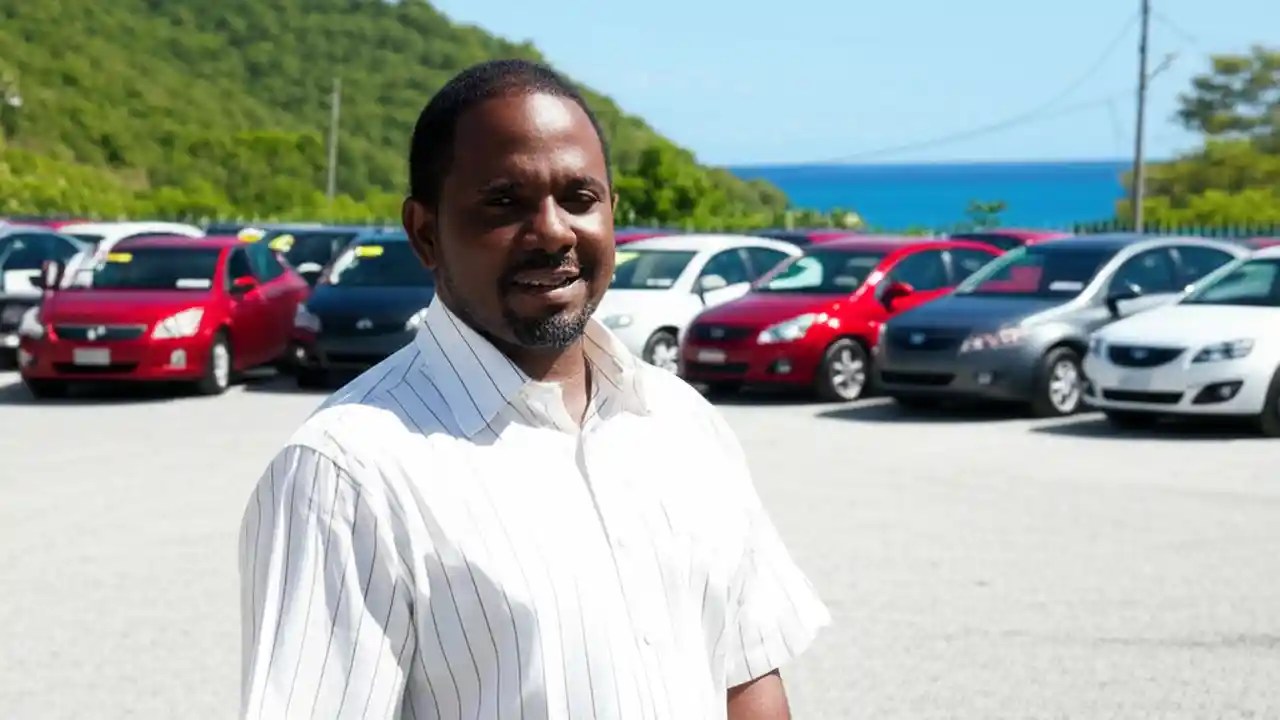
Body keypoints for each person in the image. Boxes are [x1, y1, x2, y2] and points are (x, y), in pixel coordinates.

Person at [238, 58, 830, 719]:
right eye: (503, 202)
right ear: (426, 234)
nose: (552, 231)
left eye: (579, 198)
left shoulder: (681, 422)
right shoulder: (348, 474)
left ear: (611, 213)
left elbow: (747, 679)